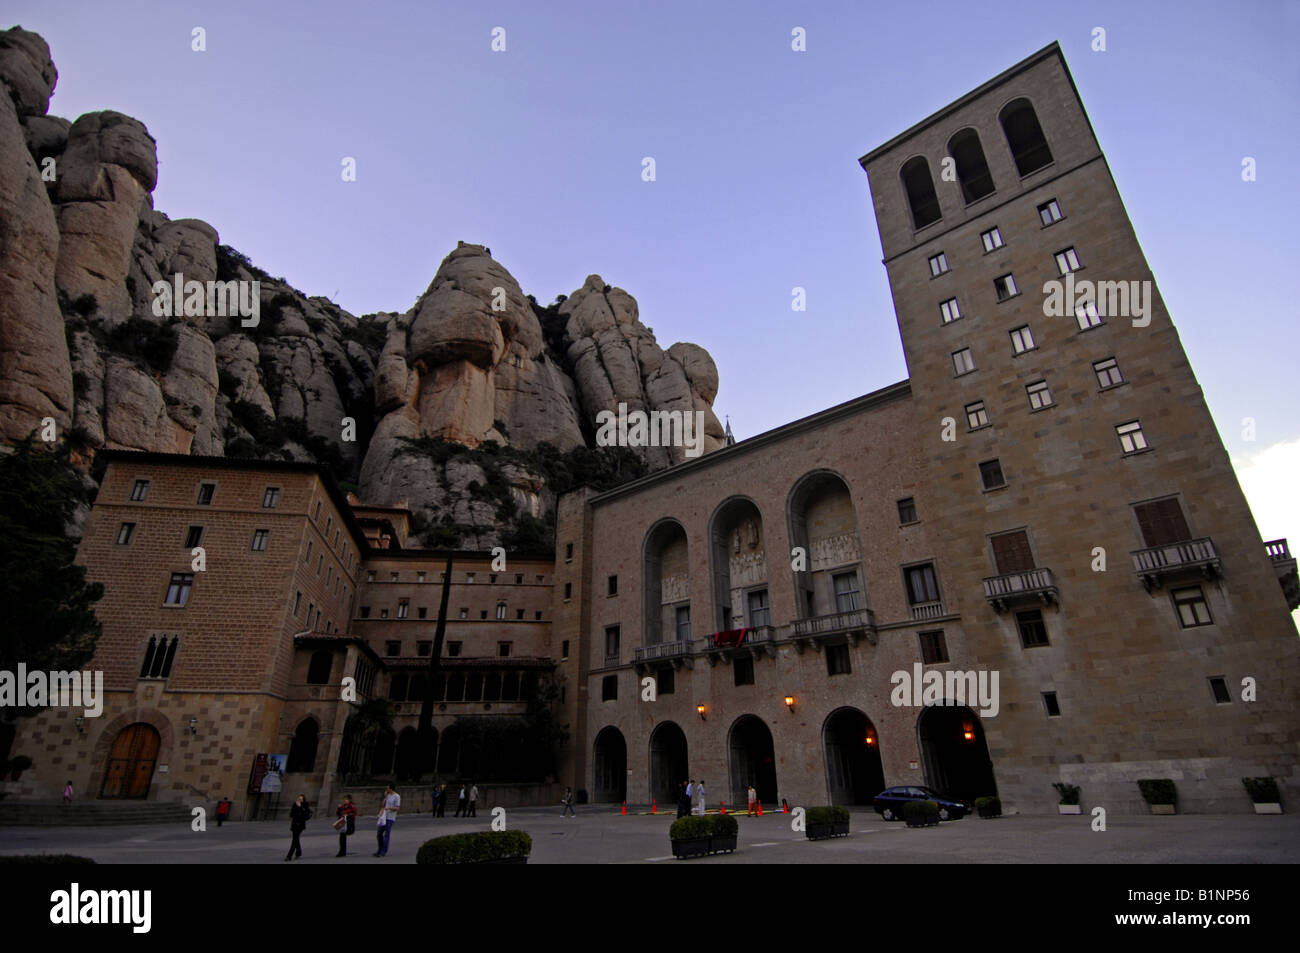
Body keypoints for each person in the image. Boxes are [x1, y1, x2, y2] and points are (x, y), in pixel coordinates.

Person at [374, 784, 400, 857]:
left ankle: (383, 851)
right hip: (384, 817)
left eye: (388, 788)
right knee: (379, 834)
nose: (386, 789)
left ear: (391, 789)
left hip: (390, 817)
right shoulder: (388, 796)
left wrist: (389, 808)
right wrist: (385, 797)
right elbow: (383, 805)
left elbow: (397, 808)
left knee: (386, 835)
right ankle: (380, 848)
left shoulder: (396, 796)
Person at [285, 794, 311, 861]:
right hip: (294, 824)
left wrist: (300, 807)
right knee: (296, 839)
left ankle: (289, 856)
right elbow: (291, 814)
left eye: (301, 799)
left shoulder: (305, 805)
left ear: (303, 800)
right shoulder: (295, 804)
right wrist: (295, 811)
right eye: (299, 799)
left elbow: (306, 813)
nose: (300, 800)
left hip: (300, 824)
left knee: (294, 840)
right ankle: (299, 852)